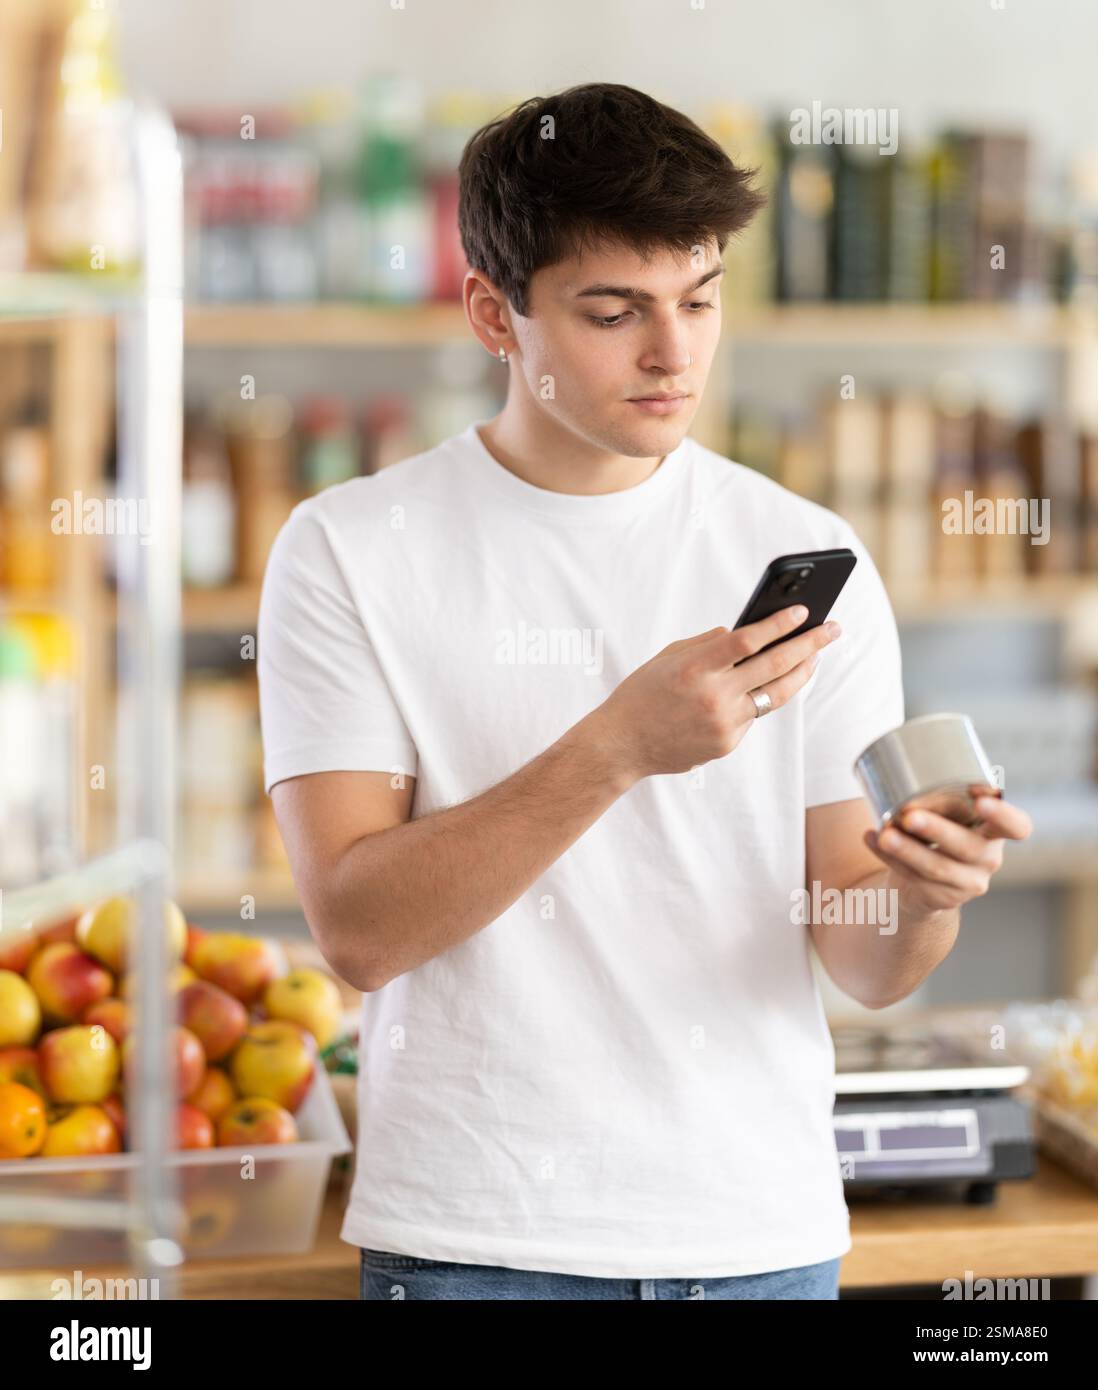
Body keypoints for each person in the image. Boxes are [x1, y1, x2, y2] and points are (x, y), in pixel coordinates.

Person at [257, 82, 1031, 1301]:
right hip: (479, 1245)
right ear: (491, 314)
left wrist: (929, 893)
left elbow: (862, 955)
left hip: (759, 1239)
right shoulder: (351, 546)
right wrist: (620, 745)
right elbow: (358, 929)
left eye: (701, 301)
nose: (673, 354)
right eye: (615, 313)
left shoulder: (802, 548)